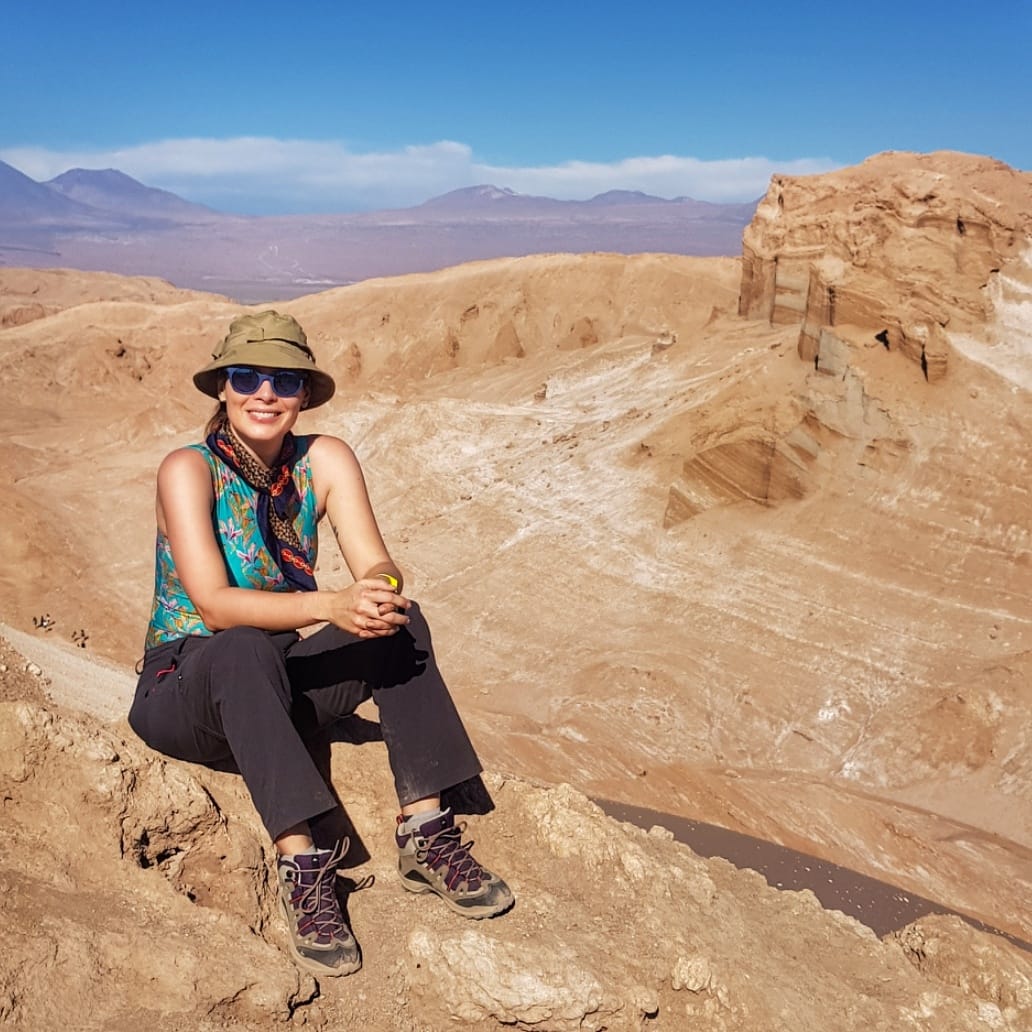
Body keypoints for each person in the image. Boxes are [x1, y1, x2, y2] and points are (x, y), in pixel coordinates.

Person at [128, 310, 513, 978]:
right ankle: (303, 866)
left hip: (269, 686)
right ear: (222, 387)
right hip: (186, 686)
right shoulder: (186, 470)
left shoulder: (324, 459)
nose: (265, 393)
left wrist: (376, 592)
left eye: (284, 379)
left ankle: (424, 830)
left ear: (305, 393)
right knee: (243, 643)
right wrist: (330, 603)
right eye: (246, 376)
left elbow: (378, 563)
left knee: (401, 619)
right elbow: (214, 607)